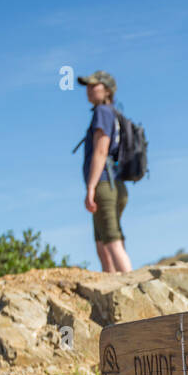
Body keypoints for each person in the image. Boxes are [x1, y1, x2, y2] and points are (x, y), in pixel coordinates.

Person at [78, 70, 132, 272]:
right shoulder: (114, 113)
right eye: (88, 86)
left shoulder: (102, 112)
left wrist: (91, 188)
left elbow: (101, 150)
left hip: (104, 183)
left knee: (112, 243)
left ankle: (131, 289)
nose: (89, 90)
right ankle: (114, 291)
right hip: (116, 184)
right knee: (103, 244)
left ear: (107, 89)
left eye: (94, 85)